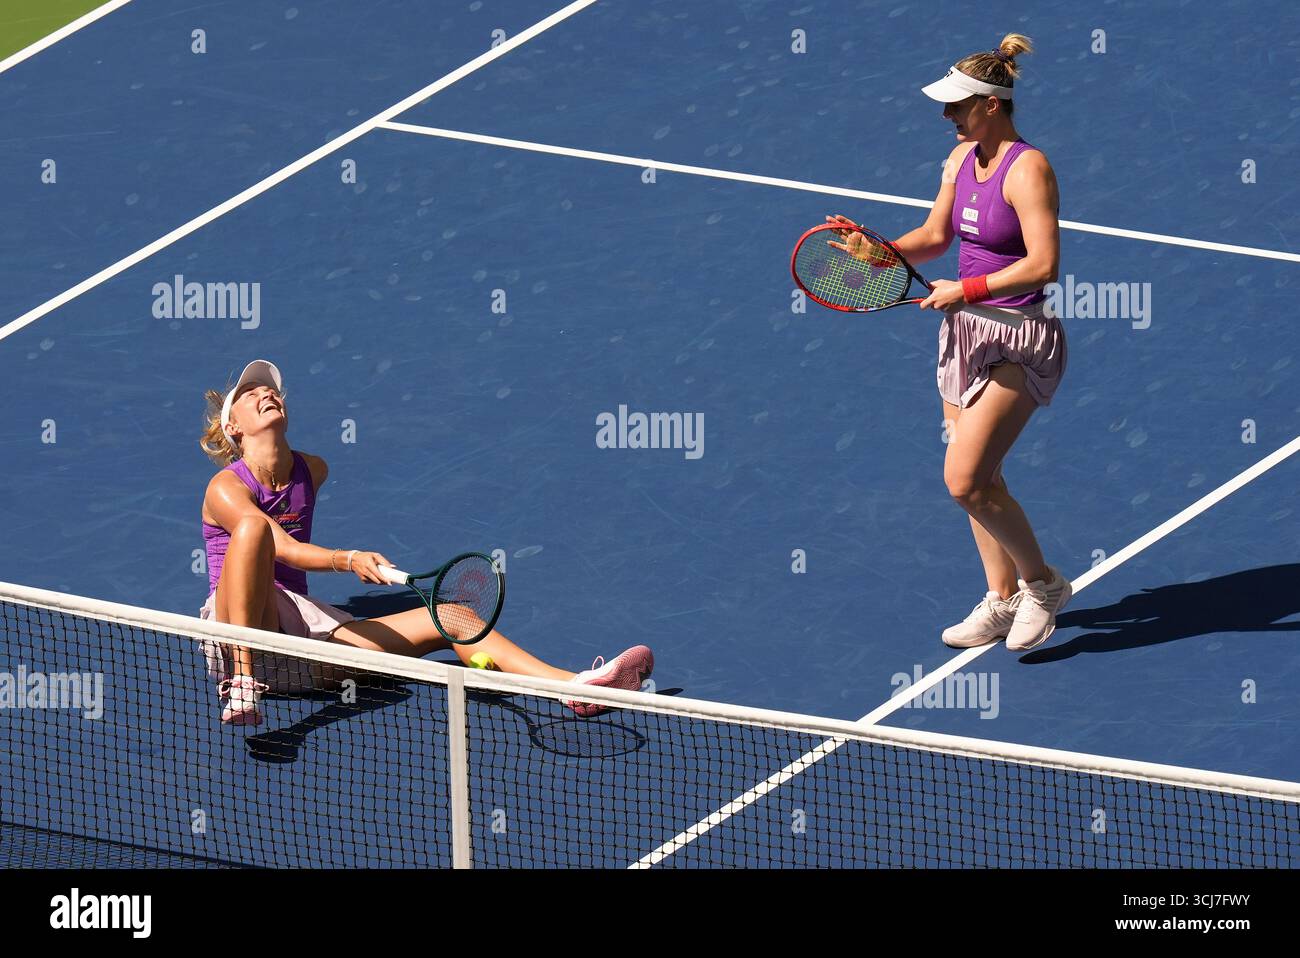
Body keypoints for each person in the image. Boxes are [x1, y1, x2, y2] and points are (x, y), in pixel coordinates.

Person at [198, 359, 653, 725]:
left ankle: (575, 688)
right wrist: (347, 558)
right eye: (249, 394)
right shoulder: (225, 488)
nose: (266, 394)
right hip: (239, 631)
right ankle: (241, 682)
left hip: (297, 648)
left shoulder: (311, 470)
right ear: (233, 429)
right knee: (254, 530)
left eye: (270, 389)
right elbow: (282, 545)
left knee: (453, 618)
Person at [830, 34, 1070, 651]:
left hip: (1019, 337)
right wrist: (879, 250)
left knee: (964, 480)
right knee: (986, 478)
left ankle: (1042, 585)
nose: (947, 117)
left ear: (993, 104)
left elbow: (1044, 264)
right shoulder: (960, 161)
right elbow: (936, 235)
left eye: (957, 106)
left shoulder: (1029, 168)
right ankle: (1001, 597)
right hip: (965, 334)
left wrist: (968, 288)